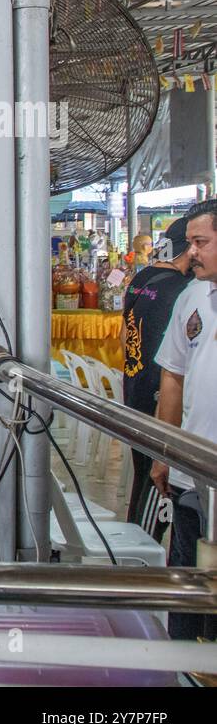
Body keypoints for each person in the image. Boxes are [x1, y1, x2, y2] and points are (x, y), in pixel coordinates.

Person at [150, 199, 217, 642]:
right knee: (190, 582)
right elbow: (172, 377)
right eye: (190, 243)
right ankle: (181, 668)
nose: (191, 252)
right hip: (194, 469)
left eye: (201, 242)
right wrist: (164, 452)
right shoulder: (192, 297)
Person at [122, 218, 192, 536]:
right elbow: (173, 371)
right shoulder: (180, 291)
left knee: (146, 479)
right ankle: (143, 557)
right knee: (158, 485)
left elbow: (125, 334)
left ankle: (140, 552)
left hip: (138, 388)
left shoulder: (145, 280)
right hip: (157, 400)